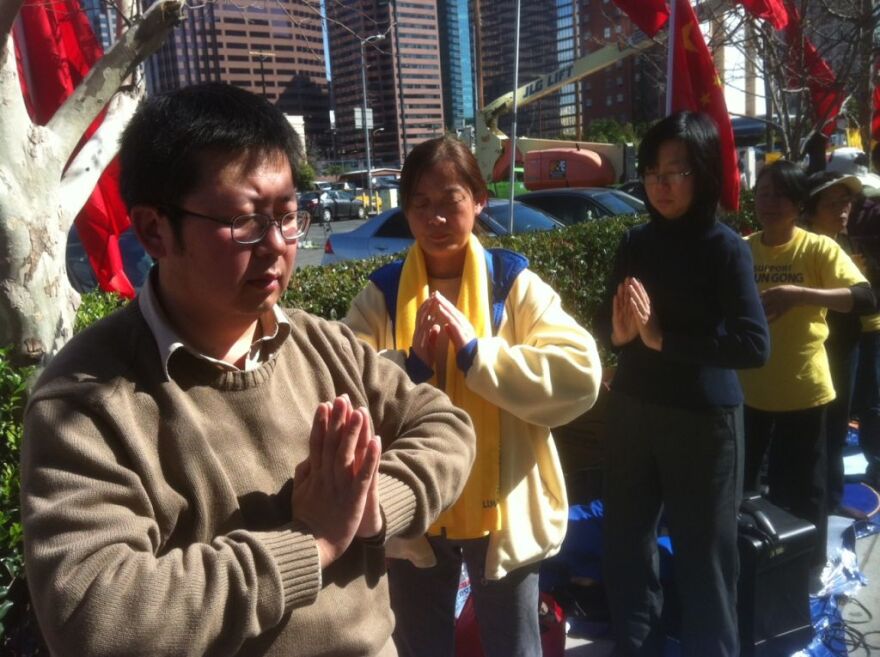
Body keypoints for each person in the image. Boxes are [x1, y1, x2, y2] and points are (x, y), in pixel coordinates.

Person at [20, 83, 477, 657]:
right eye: (245, 222)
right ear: (155, 229)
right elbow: (96, 616)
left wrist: (369, 507)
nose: (278, 246)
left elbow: (446, 426)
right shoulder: (88, 400)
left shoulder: (323, 345)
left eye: (288, 216)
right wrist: (309, 543)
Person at [342, 135, 602, 657]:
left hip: (499, 510)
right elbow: (343, 385)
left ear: (479, 200)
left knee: (515, 647)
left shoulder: (512, 283)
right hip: (414, 506)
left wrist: (478, 357)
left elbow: (581, 374)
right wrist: (409, 366)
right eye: (420, 204)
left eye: (451, 200)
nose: (435, 217)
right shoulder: (385, 293)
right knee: (419, 647)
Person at [596, 111, 769, 657]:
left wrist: (663, 340)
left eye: (676, 171)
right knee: (625, 543)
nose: (662, 185)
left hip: (702, 420)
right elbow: (610, 321)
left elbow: (752, 345)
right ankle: (636, 646)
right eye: (652, 172)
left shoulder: (725, 248)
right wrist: (619, 332)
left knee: (706, 557)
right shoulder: (635, 241)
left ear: (703, 173)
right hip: (633, 410)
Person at [739, 160, 874, 577]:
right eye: (763, 194)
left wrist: (800, 294)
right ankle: (754, 562)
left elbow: (866, 298)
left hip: (803, 389)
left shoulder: (818, 249)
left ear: (798, 204)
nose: (770, 203)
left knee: (804, 487)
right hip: (749, 392)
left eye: (780, 195)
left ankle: (812, 565)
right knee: (745, 487)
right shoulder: (743, 248)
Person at [803, 171, 878, 518]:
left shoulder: (847, 243)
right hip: (818, 346)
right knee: (818, 426)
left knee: (838, 424)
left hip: (852, 343)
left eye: (845, 202)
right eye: (832, 203)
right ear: (812, 209)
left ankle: (829, 497)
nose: (842, 210)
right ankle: (817, 498)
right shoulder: (807, 245)